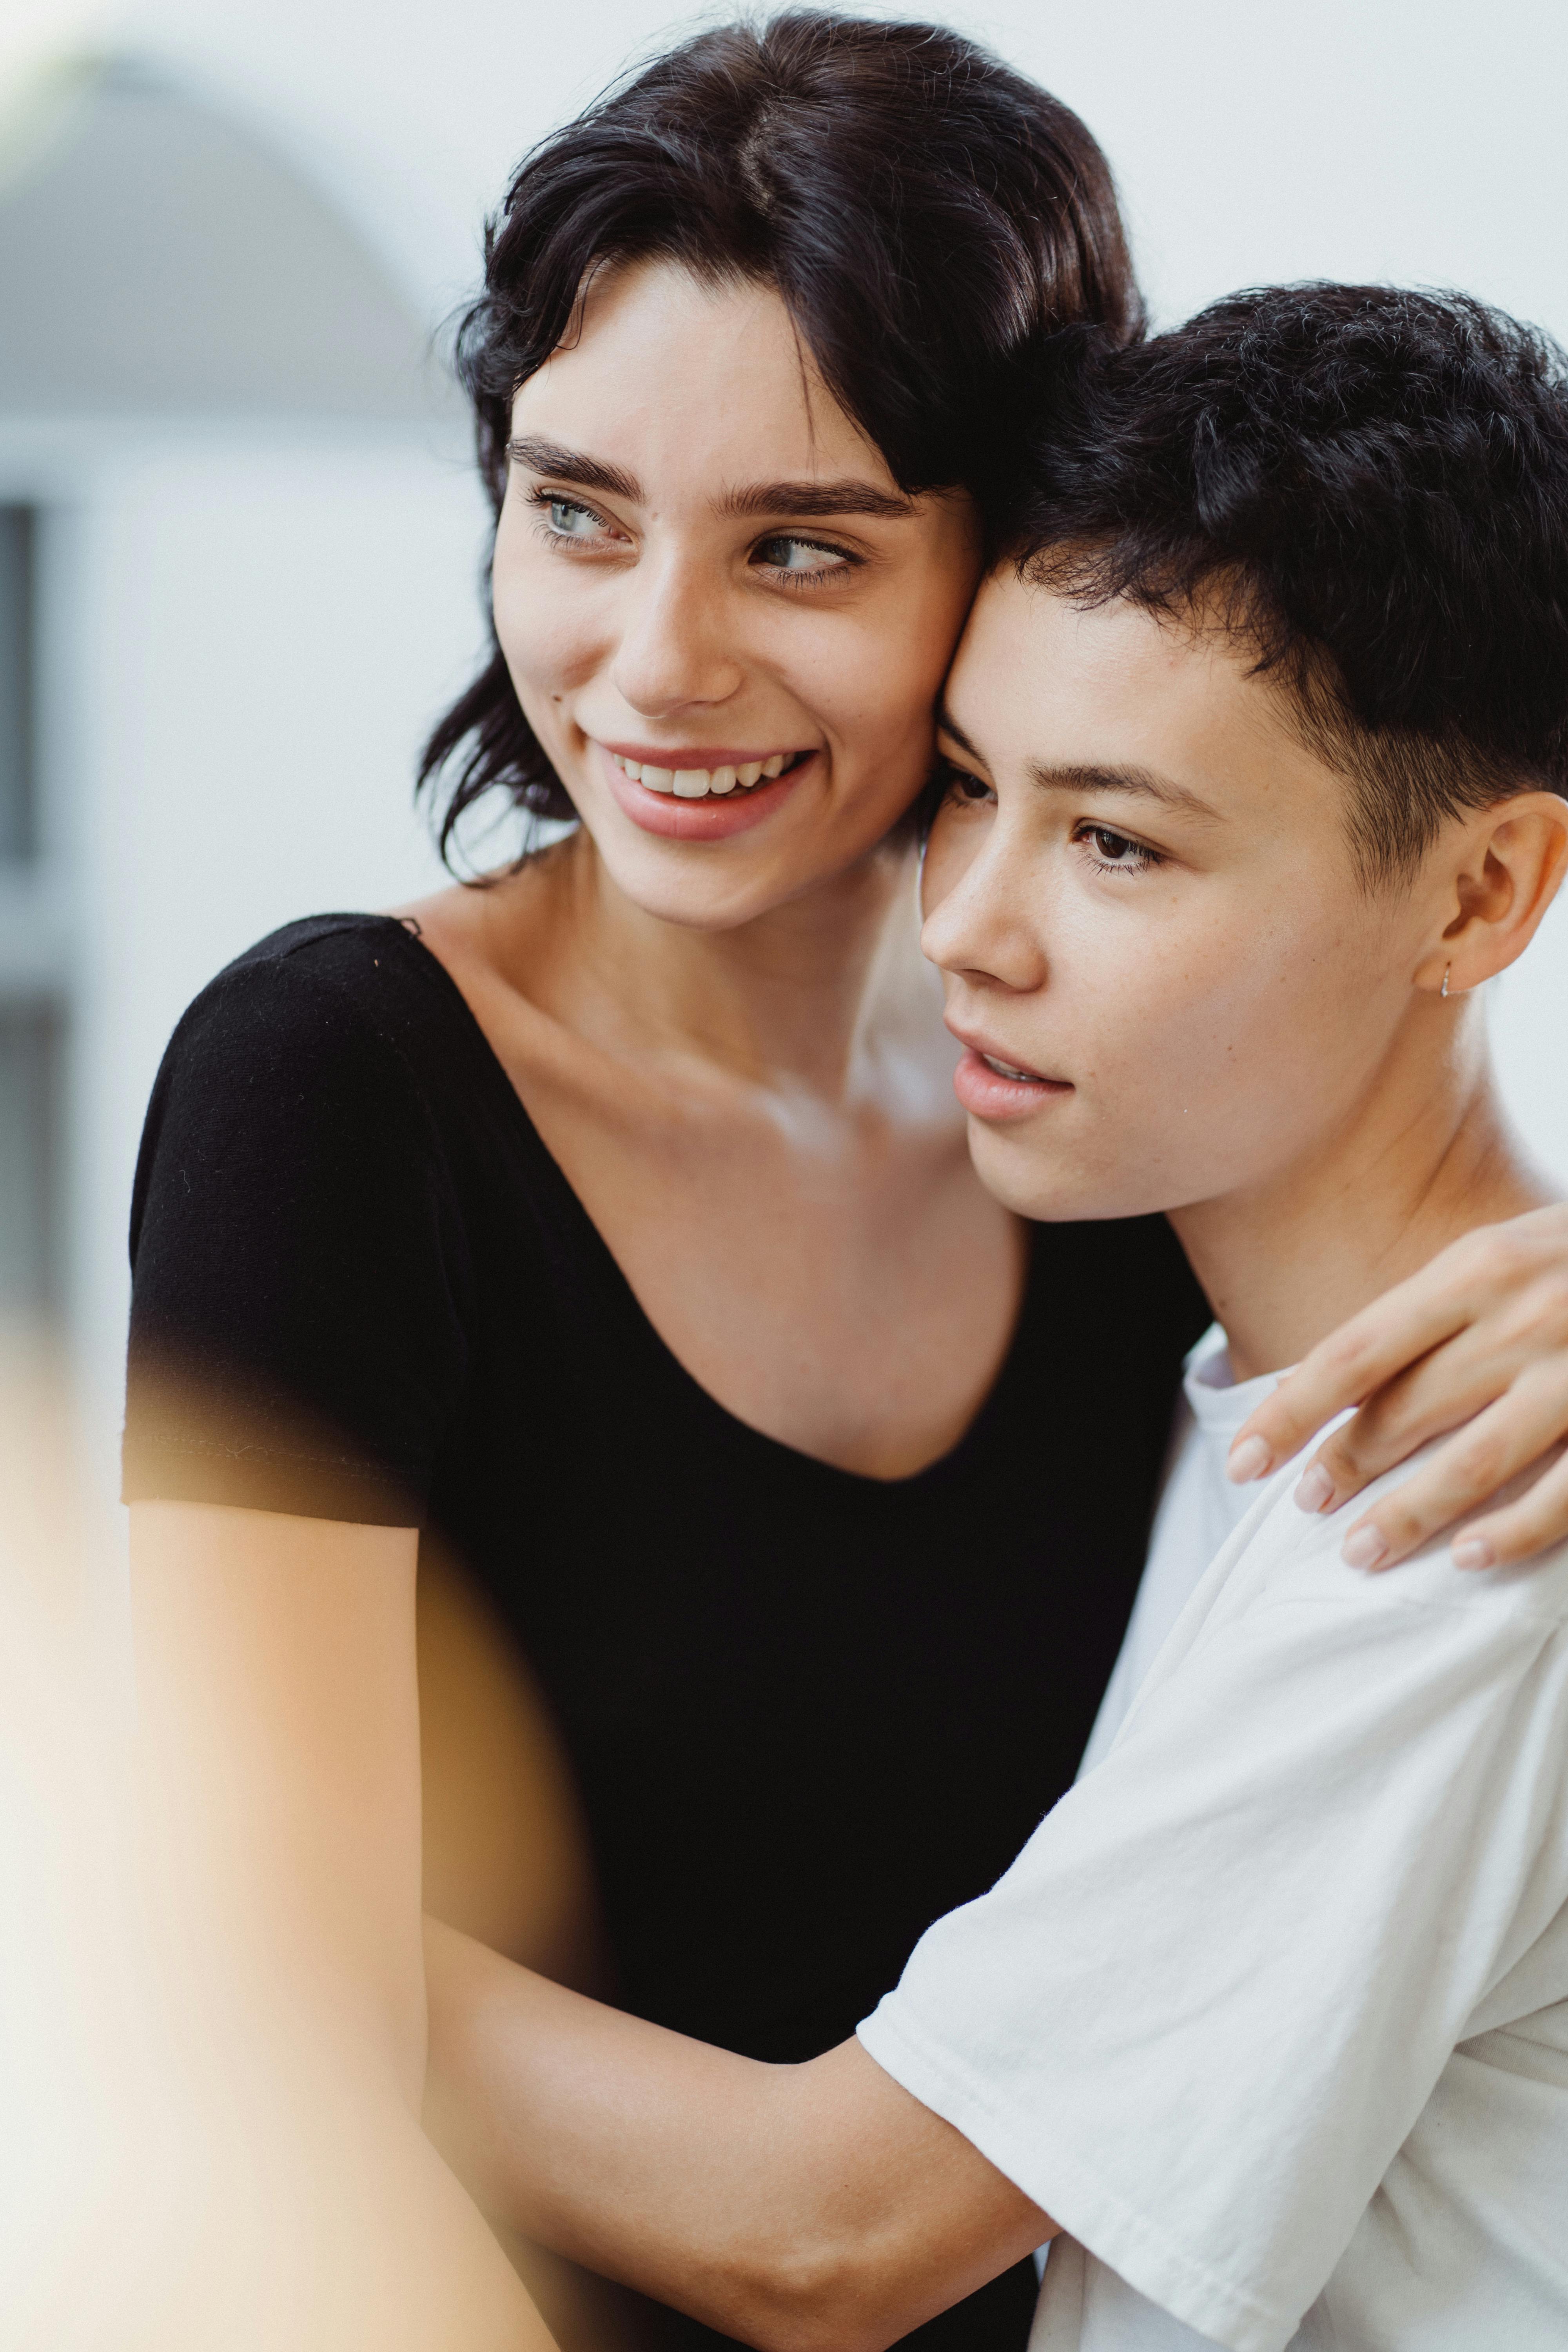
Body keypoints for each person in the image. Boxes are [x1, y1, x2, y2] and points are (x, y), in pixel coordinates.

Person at [123, 13, 1568, 2340]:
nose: (655, 665)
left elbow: (828, 2218)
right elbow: (239, 2090)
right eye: (573, 507)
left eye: (801, 546)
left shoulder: (1115, 1134)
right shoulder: (340, 1092)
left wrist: (229, 1909)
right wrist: (193, 1911)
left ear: (1018, 555)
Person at [419, 285, 1568, 2352]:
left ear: (1481, 900)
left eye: (1118, 843)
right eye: (969, 785)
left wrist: (206, 1912)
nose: (964, 928)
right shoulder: (1240, 1352)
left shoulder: (1457, 1527)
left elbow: (827, 2237)